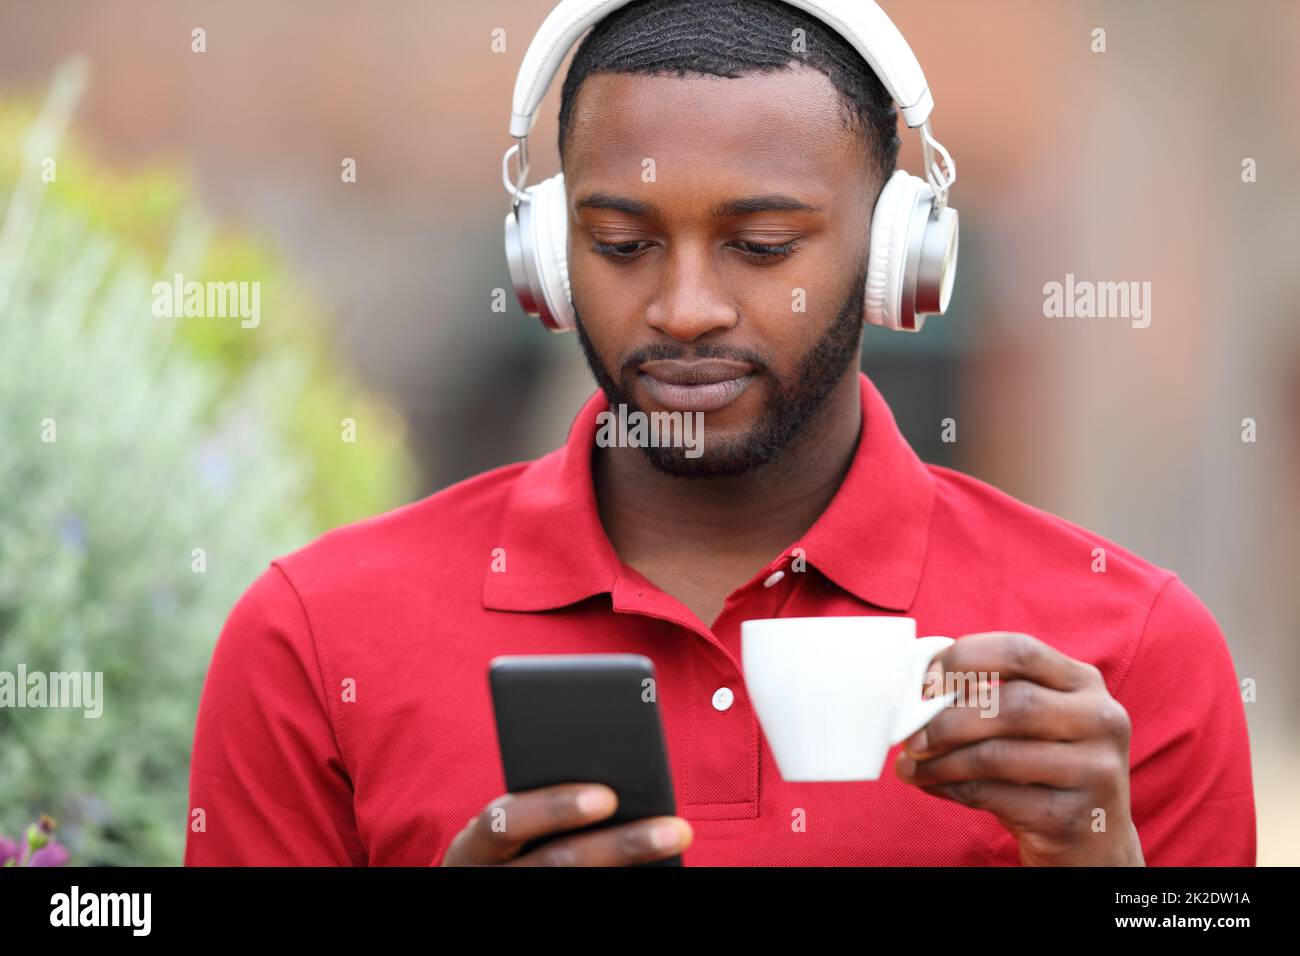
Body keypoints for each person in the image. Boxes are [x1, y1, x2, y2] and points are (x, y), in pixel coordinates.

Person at [184, 0, 1254, 867]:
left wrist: (1105, 864)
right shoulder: (314, 640)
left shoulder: (1131, 652)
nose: (684, 305)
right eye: (619, 241)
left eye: (759, 243)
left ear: (898, 255)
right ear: (545, 262)